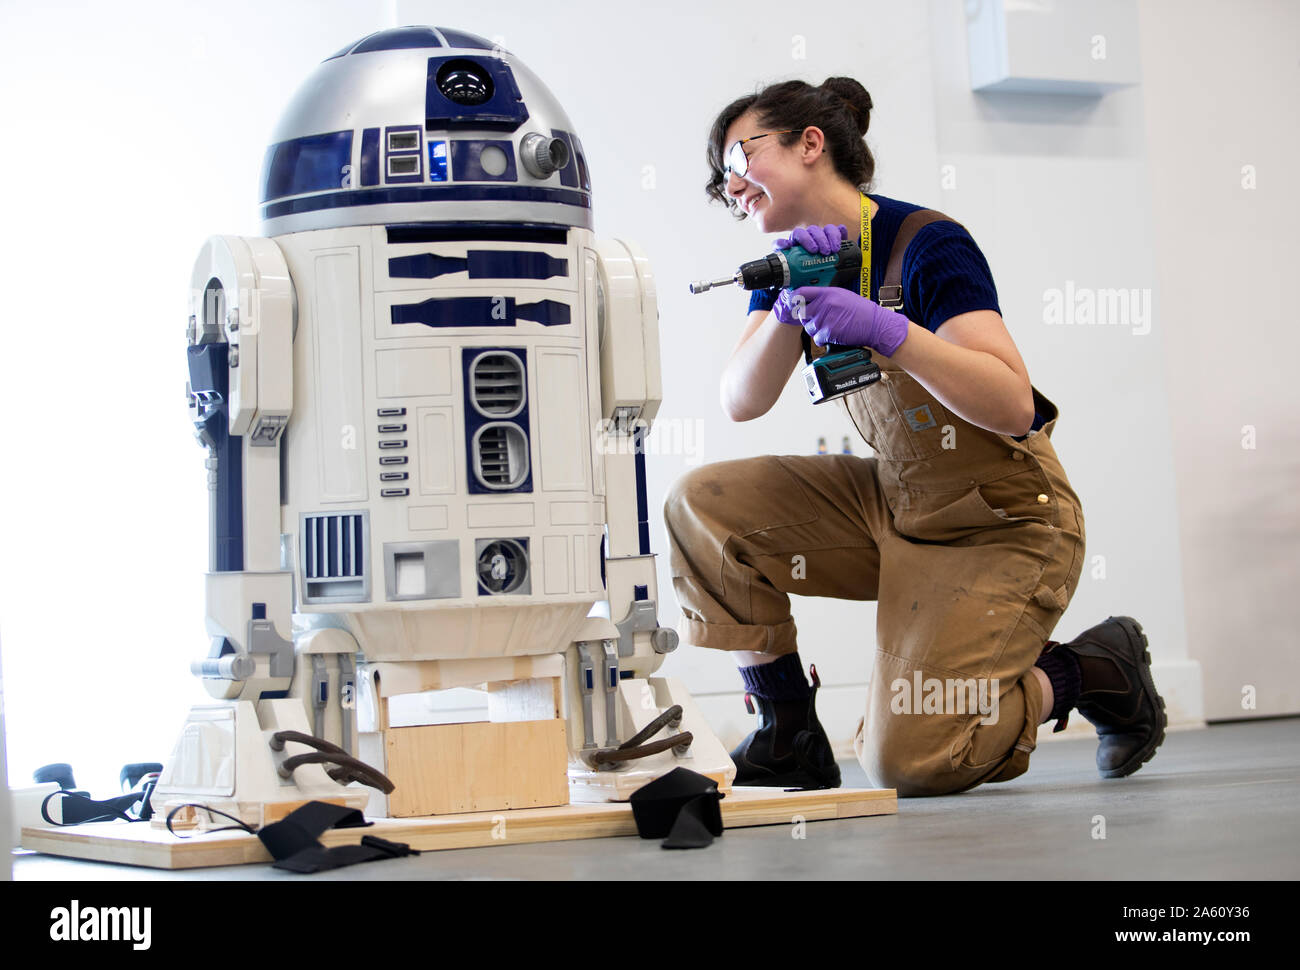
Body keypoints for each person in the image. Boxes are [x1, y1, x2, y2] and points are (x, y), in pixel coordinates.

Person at [663, 77, 1167, 796]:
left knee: (909, 759)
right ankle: (789, 733)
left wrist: (889, 331)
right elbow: (741, 399)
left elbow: (1012, 403)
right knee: (702, 503)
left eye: (741, 158)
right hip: (896, 504)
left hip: (1000, 517)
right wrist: (787, 305)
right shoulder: (787, 265)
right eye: (722, 178)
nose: (731, 184)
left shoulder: (924, 244)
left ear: (810, 144)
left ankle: (1091, 669)